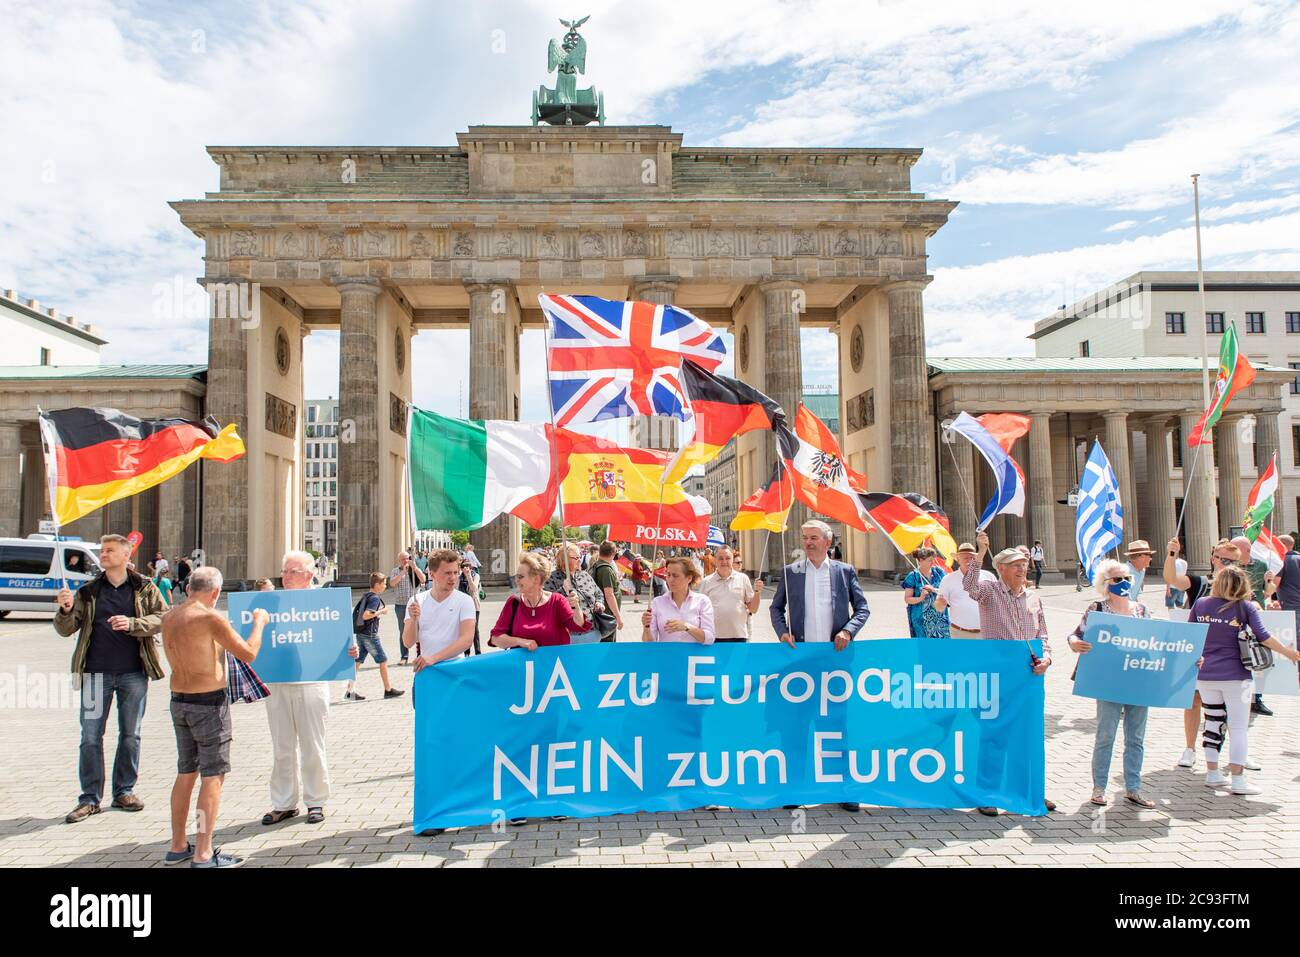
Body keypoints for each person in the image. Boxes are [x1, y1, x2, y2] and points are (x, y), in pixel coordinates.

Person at [54, 533, 167, 824]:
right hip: (94, 675)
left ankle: (124, 791)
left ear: (126, 556)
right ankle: (89, 799)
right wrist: (65, 610)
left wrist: (133, 623)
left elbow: (164, 618)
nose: (103, 555)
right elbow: (66, 629)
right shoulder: (89, 590)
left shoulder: (144, 587)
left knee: (131, 735)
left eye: (109, 551)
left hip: (133, 674)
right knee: (90, 737)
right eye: (102, 551)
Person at [161, 566, 268, 868]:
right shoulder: (210, 617)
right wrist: (259, 623)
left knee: (186, 773)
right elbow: (248, 653)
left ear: (189, 587)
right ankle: (204, 853)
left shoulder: (170, 617)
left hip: (179, 700)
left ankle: (178, 845)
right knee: (212, 777)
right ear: (216, 593)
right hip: (208, 703)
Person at [769, 520, 870, 814]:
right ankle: (794, 788)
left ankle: (843, 788)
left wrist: (848, 631)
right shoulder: (791, 573)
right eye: (805, 537)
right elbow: (776, 608)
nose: (808, 542)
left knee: (836, 725)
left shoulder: (844, 571)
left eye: (814, 537)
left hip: (835, 661)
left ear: (827, 542)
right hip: (800, 663)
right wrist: (782, 632)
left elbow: (862, 608)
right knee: (797, 726)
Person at [261, 549, 358, 827]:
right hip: (278, 681)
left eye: (293, 571)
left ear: (309, 575)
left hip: (312, 681)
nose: (286, 576)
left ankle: (316, 801)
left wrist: (349, 650)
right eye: (285, 571)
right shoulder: (270, 603)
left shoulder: (325, 602)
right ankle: (283, 803)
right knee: (282, 746)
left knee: (313, 745)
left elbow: (343, 640)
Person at [964, 531, 1054, 816]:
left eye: (1024, 564)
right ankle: (986, 793)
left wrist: (1047, 659)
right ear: (1000, 569)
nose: (1022, 568)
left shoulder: (1033, 598)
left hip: (1029, 676)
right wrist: (980, 552)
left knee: (1028, 735)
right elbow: (969, 585)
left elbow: (1044, 635)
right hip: (997, 675)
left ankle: (1031, 791)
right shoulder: (989, 592)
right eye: (1015, 564)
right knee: (995, 734)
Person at [1190, 564, 1299, 795]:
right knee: (1238, 728)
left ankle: (1212, 773)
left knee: (1212, 722)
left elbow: (1190, 636)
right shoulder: (1245, 607)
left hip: (1206, 675)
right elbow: (1265, 637)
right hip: (1236, 676)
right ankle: (1238, 780)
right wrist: (1288, 652)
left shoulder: (1200, 605)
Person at [1067, 559, 1155, 809]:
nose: (1124, 583)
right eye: (1118, 579)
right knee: (1106, 735)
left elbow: (1158, 643)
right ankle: (1099, 788)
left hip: (1138, 679)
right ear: (1106, 584)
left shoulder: (1142, 610)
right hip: (1107, 680)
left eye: (1126, 578)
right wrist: (1073, 643)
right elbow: (1076, 634)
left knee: (1136, 737)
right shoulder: (1097, 610)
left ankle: (1133, 788)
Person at [402, 549, 477, 836]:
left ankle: (459, 801)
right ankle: (435, 809)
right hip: (426, 679)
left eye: (456, 572)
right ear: (431, 573)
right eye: (447, 573)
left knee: (454, 741)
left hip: (453, 675)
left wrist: (435, 658)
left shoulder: (464, 601)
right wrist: (412, 619)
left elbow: (466, 640)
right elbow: (408, 641)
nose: (453, 578)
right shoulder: (417, 601)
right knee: (430, 743)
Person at [1165, 537, 1240, 769]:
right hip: (1199, 652)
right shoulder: (1201, 583)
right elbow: (1172, 579)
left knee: (1227, 705)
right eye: (1224, 560)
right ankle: (1190, 748)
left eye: (1234, 561)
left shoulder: (1240, 587)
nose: (1228, 565)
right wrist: (1171, 554)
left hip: (1229, 653)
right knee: (1193, 700)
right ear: (1214, 559)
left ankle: (1229, 750)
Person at [490, 552, 590, 651]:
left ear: (536, 579)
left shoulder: (557, 601)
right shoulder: (513, 602)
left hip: (554, 666)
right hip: (522, 666)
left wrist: (576, 606)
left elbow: (577, 625)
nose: (516, 580)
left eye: (520, 577)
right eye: (516, 576)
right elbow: (495, 638)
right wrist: (519, 641)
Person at [1230, 534, 1274, 717]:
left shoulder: (1261, 566)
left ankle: (1258, 699)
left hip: (1257, 614)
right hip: (1236, 616)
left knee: (1260, 657)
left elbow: (1267, 592)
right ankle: (1239, 696)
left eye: (1236, 549)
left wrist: (1270, 584)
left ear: (1246, 550)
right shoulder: (1230, 567)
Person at [346, 573, 403, 701]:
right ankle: (388, 689)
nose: (385, 586)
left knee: (358, 661)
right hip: (370, 635)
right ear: (377, 585)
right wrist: (381, 612)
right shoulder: (375, 598)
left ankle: (350, 691)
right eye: (383, 584)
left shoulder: (366, 595)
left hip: (361, 633)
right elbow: (366, 615)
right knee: (382, 660)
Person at [641, 557, 716, 644]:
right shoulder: (657, 602)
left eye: (675, 576)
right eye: (668, 575)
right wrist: (646, 629)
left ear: (689, 578)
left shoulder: (702, 601)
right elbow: (649, 643)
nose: (671, 579)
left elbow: (709, 638)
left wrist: (686, 627)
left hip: (693, 657)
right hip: (667, 656)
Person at [545, 544, 605, 644]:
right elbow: (546, 603)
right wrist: (562, 590)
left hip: (592, 631)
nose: (580, 560)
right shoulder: (552, 578)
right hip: (567, 635)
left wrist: (599, 602)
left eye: (580, 557)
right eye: (576, 557)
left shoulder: (585, 575)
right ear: (564, 560)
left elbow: (599, 593)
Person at [699, 546, 761, 642]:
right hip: (713, 637)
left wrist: (757, 592)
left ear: (732, 560)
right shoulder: (706, 582)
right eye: (720, 558)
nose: (724, 562)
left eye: (728, 558)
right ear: (715, 560)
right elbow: (699, 611)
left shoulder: (743, 579)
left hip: (739, 636)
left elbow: (753, 609)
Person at [939, 542, 994, 638]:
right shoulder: (948, 579)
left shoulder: (988, 576)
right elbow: (939, 607)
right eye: (965, 558)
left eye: (972, 558)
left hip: (986, 631)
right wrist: (940, 603)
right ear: (958, 560)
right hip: (959, 632)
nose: (969, 561)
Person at [387, 552, 427, 666]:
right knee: (403, 630)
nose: (406, 561)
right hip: (401, 605)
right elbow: (392, 584)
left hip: (415, 605)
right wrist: (403, 572)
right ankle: (404, 656)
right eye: (403, 559)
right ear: (399, 560)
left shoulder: (415, 569)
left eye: (407, 558)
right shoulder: (395, 571)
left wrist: (415, 568)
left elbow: (423, 579)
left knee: (420, 629)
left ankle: (420, 654)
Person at [901, 547, 949, 639]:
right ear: (920, 560)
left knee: (943, 647)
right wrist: (921, 597)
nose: (933, 562)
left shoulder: (939, 572)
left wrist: (934, 590)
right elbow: (907, 599)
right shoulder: (913, 576)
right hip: (921, 619)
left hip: (940, 617)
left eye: (933, 560)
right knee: (924, 647)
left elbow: (947, 590)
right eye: (930, 560)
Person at [590, 541, 625, 641]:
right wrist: (618, 618)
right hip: (607, 617)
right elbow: (609, 595)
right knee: (609, 644)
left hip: (602, 615)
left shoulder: (597, 565)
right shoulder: (606, 569)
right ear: (613, 554)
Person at [457, 559, 483, 655]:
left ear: (471, 567)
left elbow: (474, 588)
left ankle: (478, 652)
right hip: (463, 606)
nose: (466, 568)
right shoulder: (459, 577)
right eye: (464, 566)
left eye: (468, 566)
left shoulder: (476, 576)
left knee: (475, 629)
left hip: (474, 605)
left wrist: (468, 576)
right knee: (464, 630)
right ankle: (466, 652)